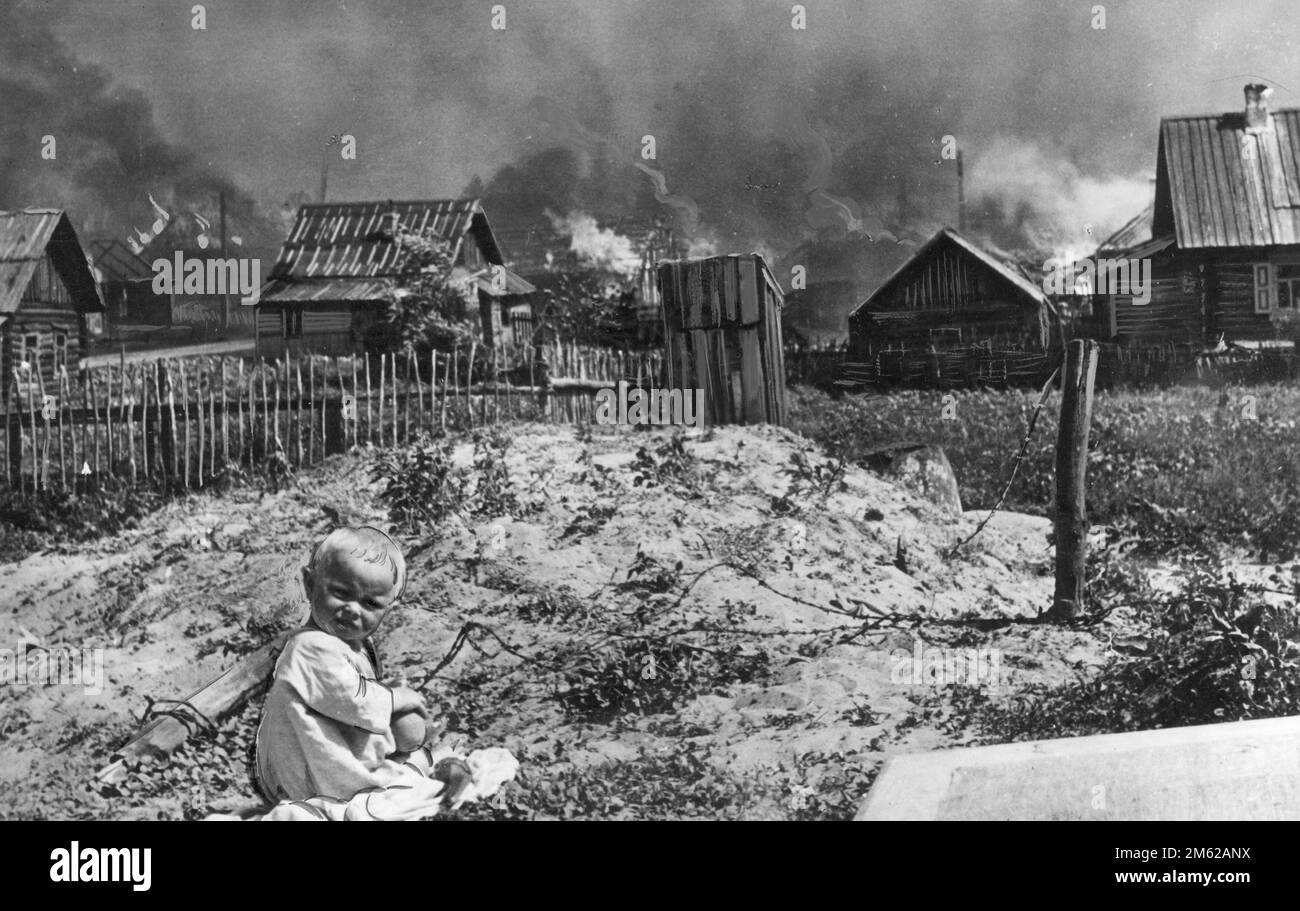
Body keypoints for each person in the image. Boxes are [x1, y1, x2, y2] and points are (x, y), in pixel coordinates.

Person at [254, 526, 471, 806]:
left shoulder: (346, 644)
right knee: (381, 793)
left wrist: (386, 697)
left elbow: (351, 695)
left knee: (403, 740)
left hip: (329, 748)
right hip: (303, 771)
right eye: (341, 593)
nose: (353, 609)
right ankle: (418, 778)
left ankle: (417, 769)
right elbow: (351, 699)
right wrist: (394, 699)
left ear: (386, 610)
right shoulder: (309, 646)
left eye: (369, 603)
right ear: (309, 585)